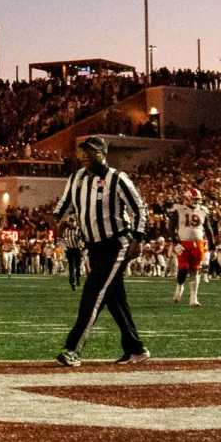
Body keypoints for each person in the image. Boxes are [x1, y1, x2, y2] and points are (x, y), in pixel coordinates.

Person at [56, 136, 148, 366]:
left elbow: (139, 208)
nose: (84, 156)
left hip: (116, 244)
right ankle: (136, 348)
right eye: (82, 152)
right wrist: (56, 219)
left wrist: (137, 238)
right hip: (93, 246)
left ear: (103, 153)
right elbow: (64, 204)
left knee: (93, 293)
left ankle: (72, 348)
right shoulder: (76, 178)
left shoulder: (117, 178)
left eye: (90, 152)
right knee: (115, 299)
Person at [171, 186, 209, 307]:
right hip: (183, 243)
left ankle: (193, 298)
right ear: (187, 198)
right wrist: (175, 242)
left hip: (198, 244)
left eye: (198, 199)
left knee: (196, 270)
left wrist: (212, 244)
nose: (197, 201)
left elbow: (208, 228)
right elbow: (170, 228)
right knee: (183, 269)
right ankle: (179, 286)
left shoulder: (202, 210)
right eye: (194, 199)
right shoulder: (179, 210)